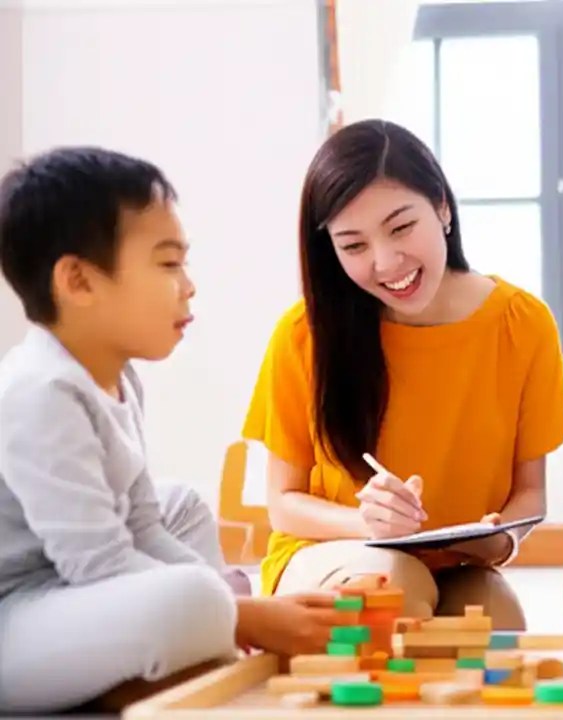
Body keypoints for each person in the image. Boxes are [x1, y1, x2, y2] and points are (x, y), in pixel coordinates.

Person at [0, 147, 343, 714]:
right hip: (17, 612)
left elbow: (140, 522)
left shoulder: (118, 379)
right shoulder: (41, 393)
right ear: (79, 280)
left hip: (66, 590)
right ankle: (173, 655)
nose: (189, 286)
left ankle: (181, 653)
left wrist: (227, 611)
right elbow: (100, 567)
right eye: (167, 264)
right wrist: (242, 615)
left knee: (181, 505)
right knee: (193, 600)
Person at [243, 119, 563, 629]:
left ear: (442, 207)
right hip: (328, 554)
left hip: (455, 565)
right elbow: (283, 504)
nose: (385, 262)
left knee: (495, 619)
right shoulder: (305, 334)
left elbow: (530, 492)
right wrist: (365, 523)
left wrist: (501, 539)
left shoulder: (521, 325)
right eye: (353, 246)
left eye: (400, 228)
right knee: (393, 583)